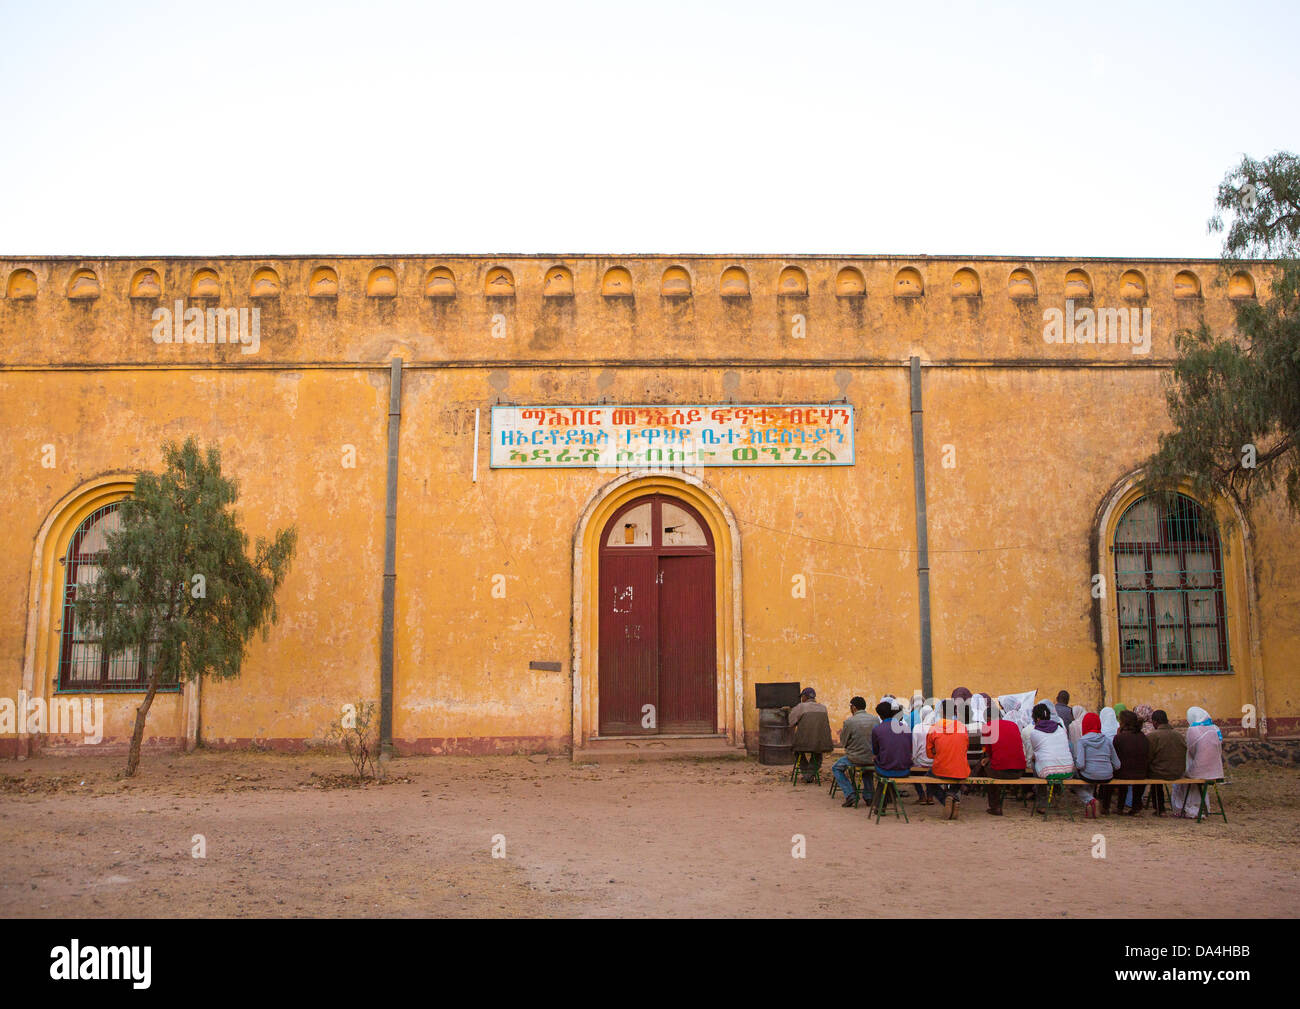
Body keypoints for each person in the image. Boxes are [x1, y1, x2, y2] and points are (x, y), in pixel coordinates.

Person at [1172, 706, 1224, 819]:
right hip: (1216, 771)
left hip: (1199, 772)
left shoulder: (1193, 730)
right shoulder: (1215, 728)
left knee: (1180, 780)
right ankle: (1203, 807)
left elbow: (1190, 749)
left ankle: (1183, 808)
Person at [1027, 702, 1076, 814]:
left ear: (1037, 719)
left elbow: (1036, 754)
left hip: (1048, 772)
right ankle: (1056, 791)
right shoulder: (1060, 729)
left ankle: (1042, 802)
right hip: (1068, 770)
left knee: (1034, 761)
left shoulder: (1034, 732)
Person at [831, 696, 879, 806]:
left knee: (836, 768)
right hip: (872, 757)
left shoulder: (849, 722)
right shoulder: (875, 719)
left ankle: (850, 793)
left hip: (855, 758)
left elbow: (844, 741)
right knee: (867, 770)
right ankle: (869, 796)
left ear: (853, 707)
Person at [926, 699, 970, 820]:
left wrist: (940, 753)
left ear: (941, 711)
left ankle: (947, 799)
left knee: (928, 779)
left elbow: (929, 754)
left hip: (941, 769)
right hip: (961, 770)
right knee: (959, 775)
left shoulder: (934, 728)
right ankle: (952, 796)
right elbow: (964, 748)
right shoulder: (962, 727)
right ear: (955, 711)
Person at [980, 700, 1025, 815]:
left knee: (985, 766)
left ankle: (995, 806)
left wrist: (987, 759)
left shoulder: (988, 727)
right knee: (988, 763)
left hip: (1001, 772)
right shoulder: (1013, 725)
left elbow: (988, 752)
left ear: (988, 718)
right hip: (1019, 771)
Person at [1072, 712, 1120, 817]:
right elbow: (1117, 764)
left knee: (1072, 782)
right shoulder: (1107, 740)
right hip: (1107, 776)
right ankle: (1091, 808)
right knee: (1090, 779)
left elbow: (1080, 765)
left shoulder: (1082, 741)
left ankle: (1090, 800)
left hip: (1089, 775)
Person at [871, 699, 912, 811]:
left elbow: (875, 751)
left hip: (886, 769)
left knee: (881, 773)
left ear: (879, 715)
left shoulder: (877, 730)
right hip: (905, 769)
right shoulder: (905, 727)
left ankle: (880, 805)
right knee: (885, 768)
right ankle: (888, 798)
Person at [1146, 709, 1187, 816]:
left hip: (1159, 773)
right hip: (1178, 772)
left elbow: (1148, 757)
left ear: (1154, 722)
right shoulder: (1179, 735)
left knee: (1153, 776)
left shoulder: (1152, 736)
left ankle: (1160, 809)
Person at [788, 688, 834, 784]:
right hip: (822, 743)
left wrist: (790, 712)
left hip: (803, 743)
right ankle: (811, 773)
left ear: (804, 697)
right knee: (817, 754)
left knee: (797, 752)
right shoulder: (823, 708)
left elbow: (791, 723)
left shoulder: (800, 707)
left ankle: (807, 774)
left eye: (802, 697)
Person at [1108, 708, 1149, 815]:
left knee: (1114, 773)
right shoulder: (1142, 736)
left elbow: (1114, 756)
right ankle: (1136, 806)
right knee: (1130, 770)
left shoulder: (1119, 737)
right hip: (1141, 773)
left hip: (1123, 773)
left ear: (1122, 723)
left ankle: (1118, 807)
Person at [910, 705, 943, 805]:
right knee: (930, 775)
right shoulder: (937, 728)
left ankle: (921, 796)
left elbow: (914, 749)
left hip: (920, 761)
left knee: (912, 774)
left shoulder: (917, 728)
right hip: (934, 762)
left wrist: (912, 759)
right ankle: (930, 796)